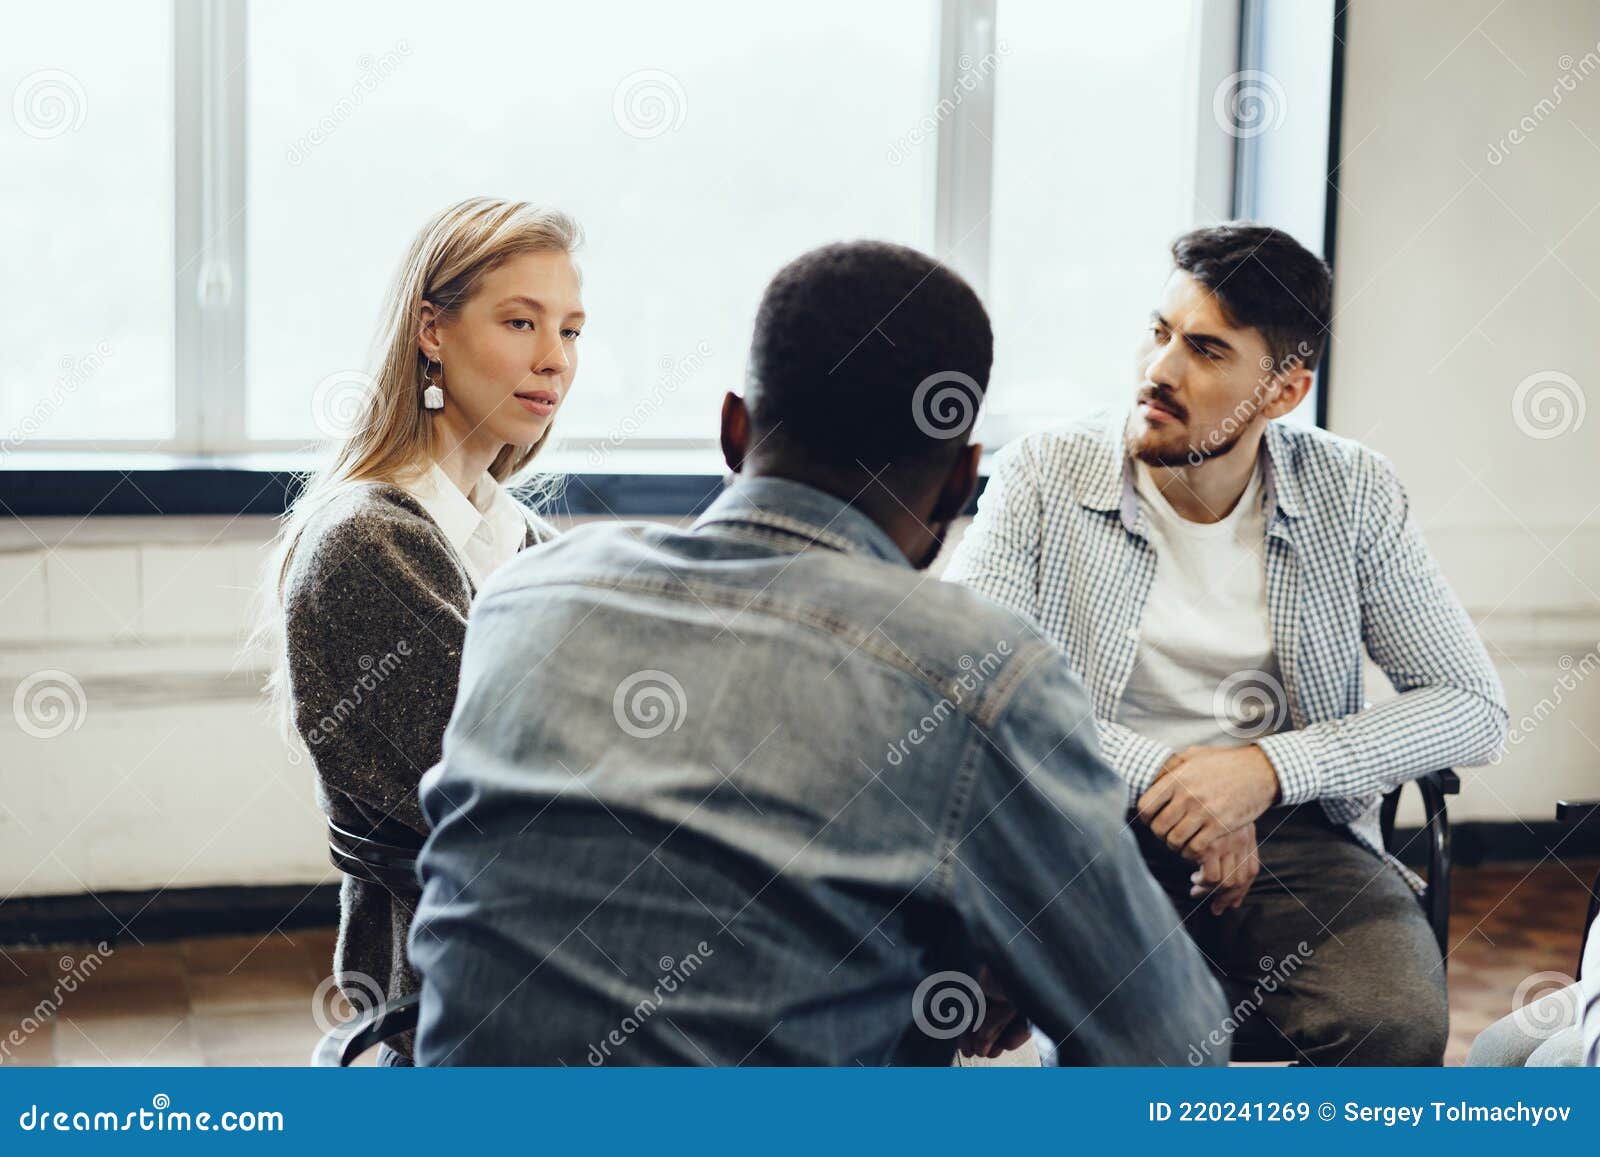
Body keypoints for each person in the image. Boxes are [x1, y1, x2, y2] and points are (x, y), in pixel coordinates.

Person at [408, 240, 1227, 1066]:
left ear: (733, 428)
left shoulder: (526, 595)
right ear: (958, 482)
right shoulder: (975, 671)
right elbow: (1172, 1046)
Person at [944, 223, 1509, 1065]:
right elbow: (969, 683)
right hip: (1083, 827)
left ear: (1283, 392)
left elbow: (1473, 708)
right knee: (1153, 1042)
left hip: (1295, 837)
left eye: (1205, 350)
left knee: (1394, 1022)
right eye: (1159, 331)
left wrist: (1265, 772)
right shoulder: (1041, 475)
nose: (1158, 370)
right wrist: (1177, 782)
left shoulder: (1352, 489)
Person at [265, 196, 585, 1065]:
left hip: (553, 957)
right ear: (431, 330)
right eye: (520, 321)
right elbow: (522, 788)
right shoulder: (369, 540)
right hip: (465, 998)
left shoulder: (519, 535)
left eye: (571, 330)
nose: (554, 360)